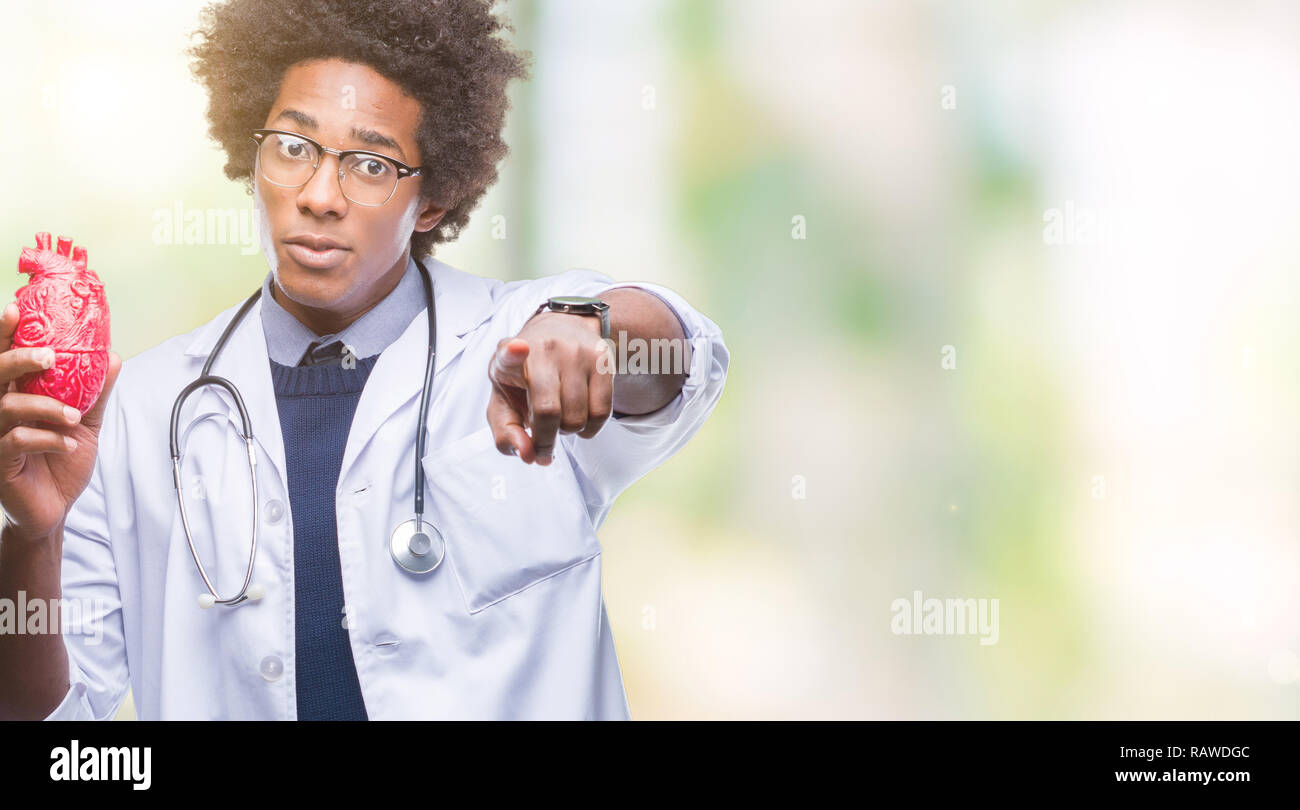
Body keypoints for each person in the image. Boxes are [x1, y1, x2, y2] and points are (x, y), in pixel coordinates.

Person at [0, 0, 727, 720]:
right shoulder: (137, 409)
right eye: (292, 147)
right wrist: (32, 536)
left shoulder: (514, 338)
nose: (320, 196)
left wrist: (588, 327)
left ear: (435, 199)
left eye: (372, 163)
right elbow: (50, 731)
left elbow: (683, 360)